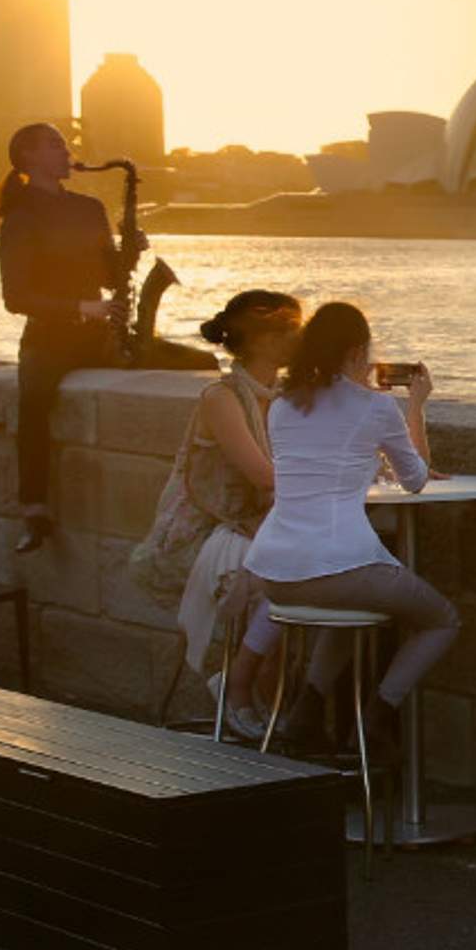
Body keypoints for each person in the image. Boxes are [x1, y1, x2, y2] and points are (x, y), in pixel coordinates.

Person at [243, 302, 454, 760]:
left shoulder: (281, 404)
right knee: (441, 620)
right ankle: (377, 716)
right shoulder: (376, 407)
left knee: (349, 597)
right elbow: (415, 479)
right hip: (337, 562)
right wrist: (416, 404)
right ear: (359, 350)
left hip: (273, 568)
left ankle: (306, 712)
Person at [128, 290, 302, 743]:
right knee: (290, 572)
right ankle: (243, 691)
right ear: (262, 339)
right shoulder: (221, 398)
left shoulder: (286, 396)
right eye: (291, 328)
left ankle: (270, 697)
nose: (299, 337)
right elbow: (264, 477)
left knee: (317, 565)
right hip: (201, 535)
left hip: (259, 528)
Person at [0, 122, 142, 552]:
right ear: (28, 158)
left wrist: (131, 248)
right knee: (34, 407)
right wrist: (82, 308)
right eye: (56, 144)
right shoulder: (21, 217)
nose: (67, 150)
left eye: (65, 143)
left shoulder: (89, 208)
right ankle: (34, 509)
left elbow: (110, 275)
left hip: (100, 333)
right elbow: (15, 297)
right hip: (49, 338)